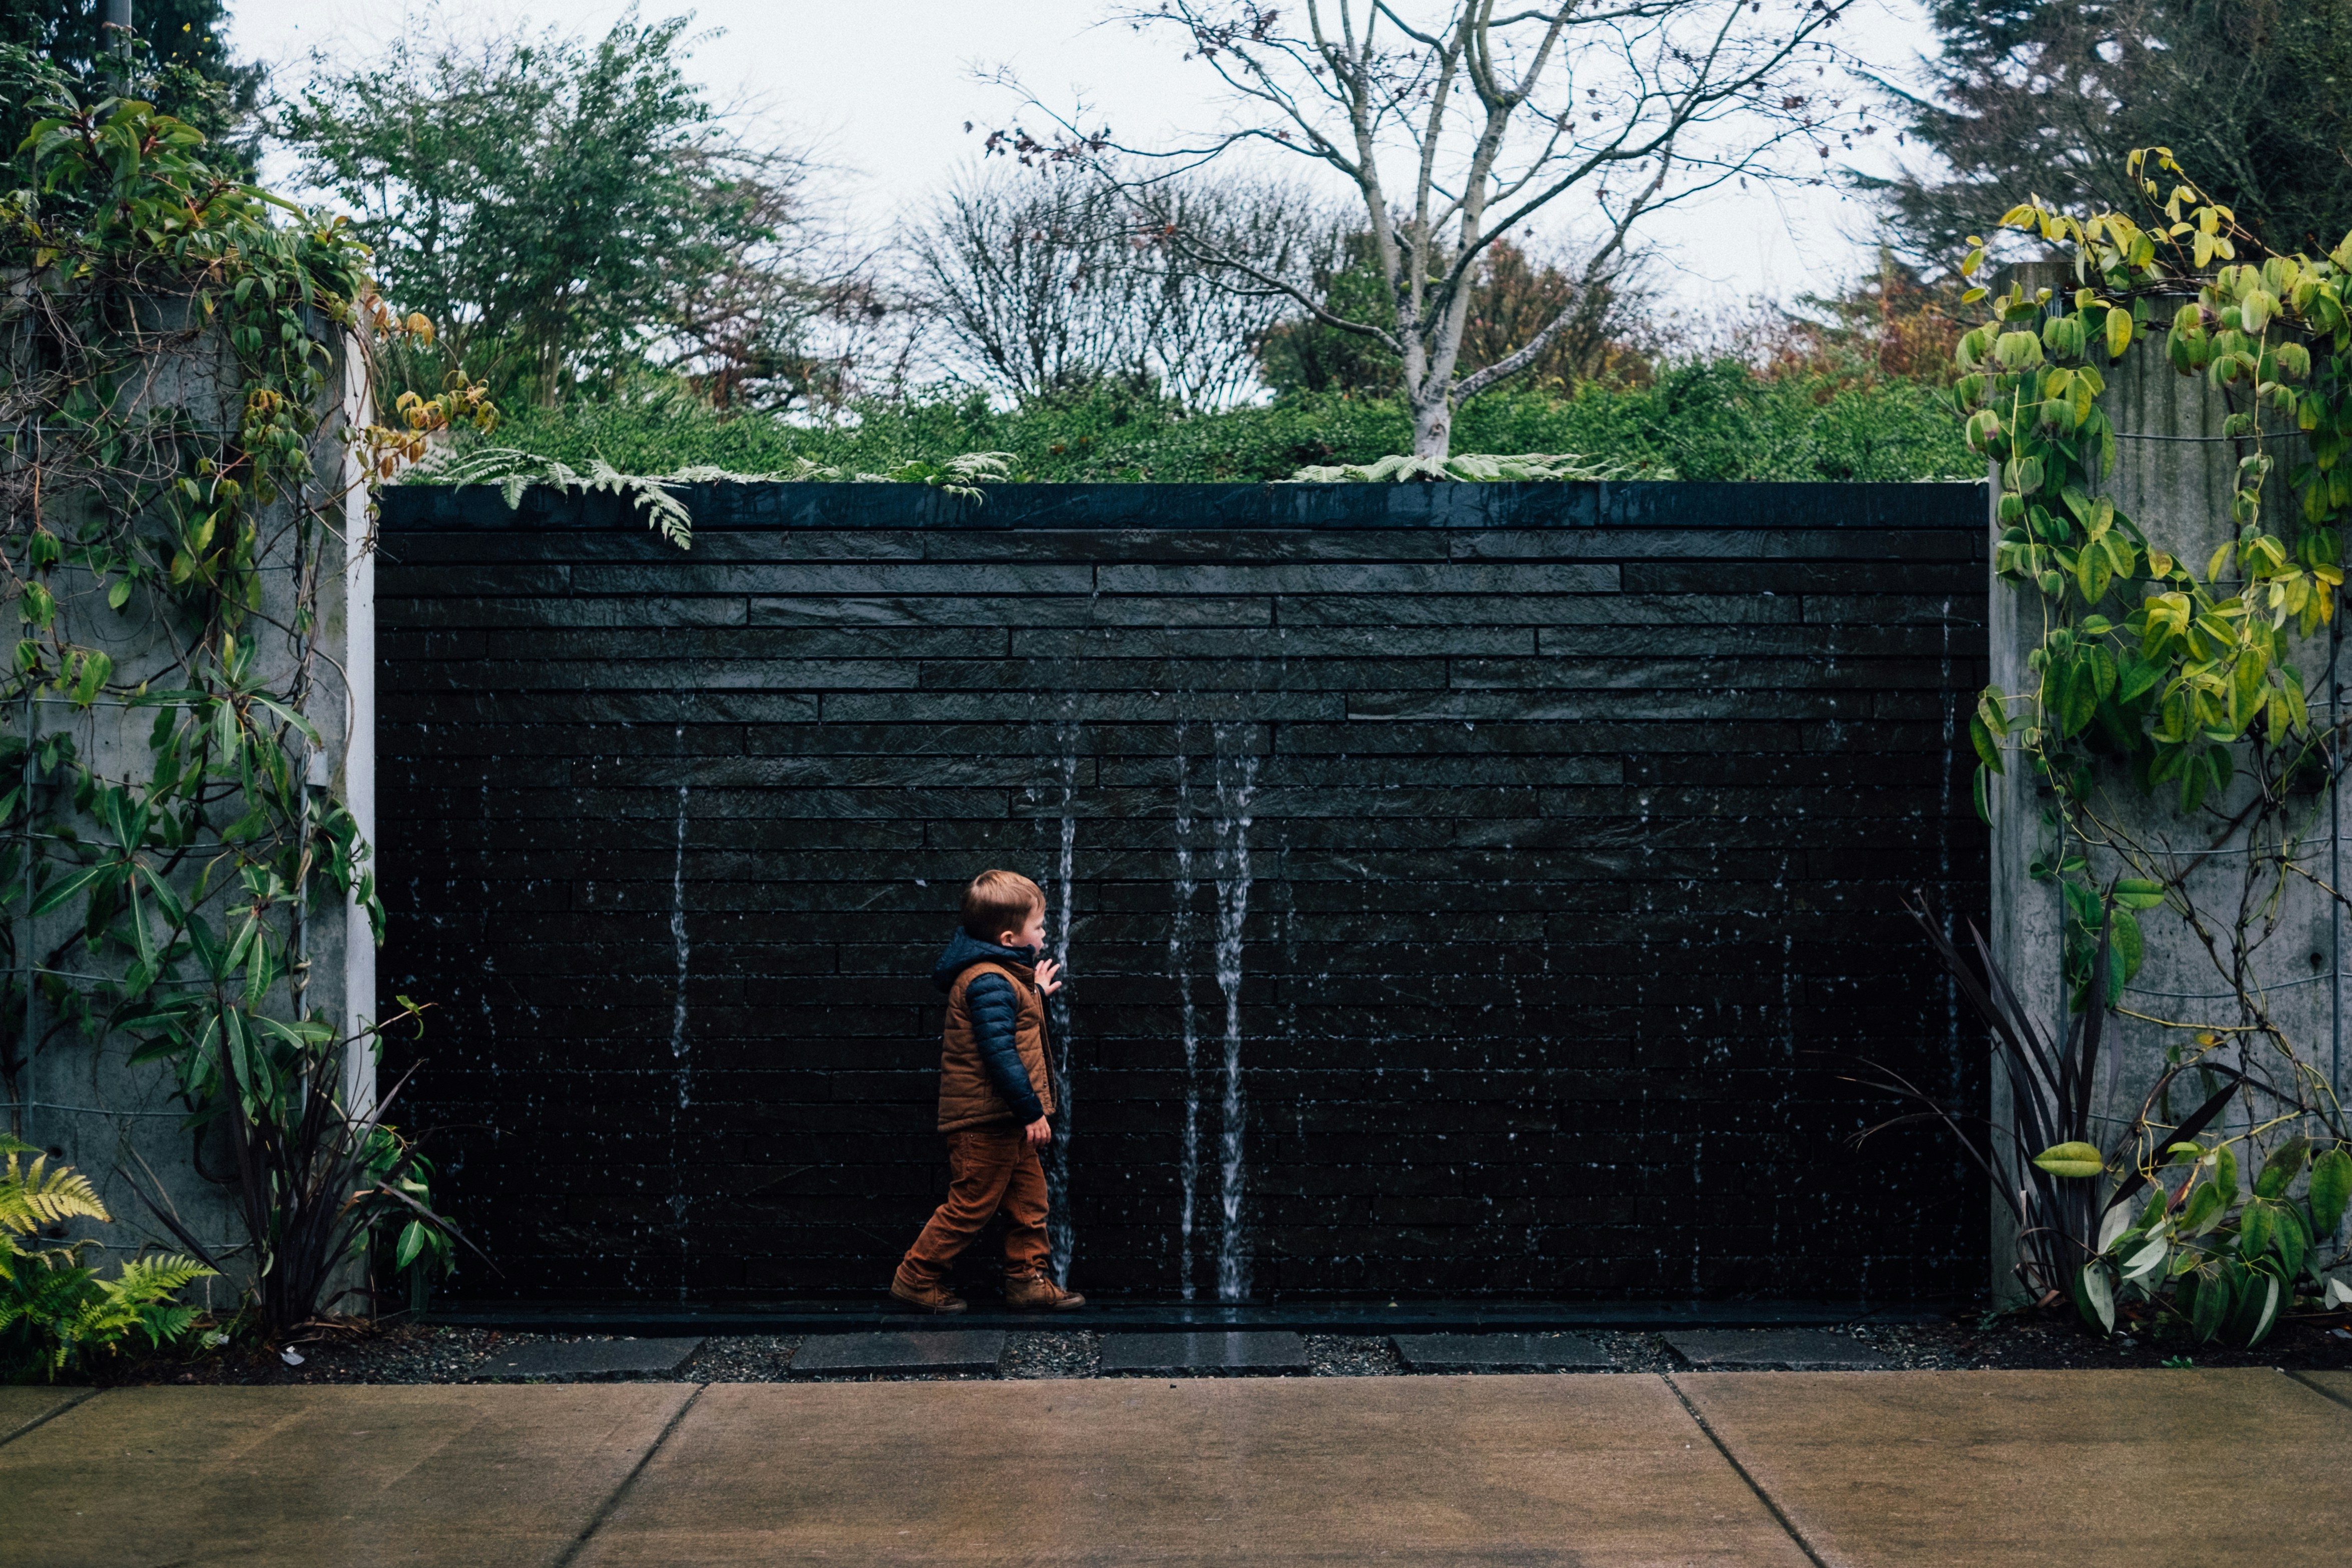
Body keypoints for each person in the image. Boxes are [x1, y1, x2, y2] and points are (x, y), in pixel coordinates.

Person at [890, 869, 1087, 1314]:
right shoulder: (988, 980)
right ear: (1009, 936)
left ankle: (1027, 1280)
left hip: (1004, 1122)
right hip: (987, 1122)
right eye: (1037, 926)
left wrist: (1035, 991)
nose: (1044, 932)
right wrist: (1032, 1112)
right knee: (970, 1206)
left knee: (1029, 1202)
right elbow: (999, 1054)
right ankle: (916, 1277)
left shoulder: (1000, 977)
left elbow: (1010, 1023)